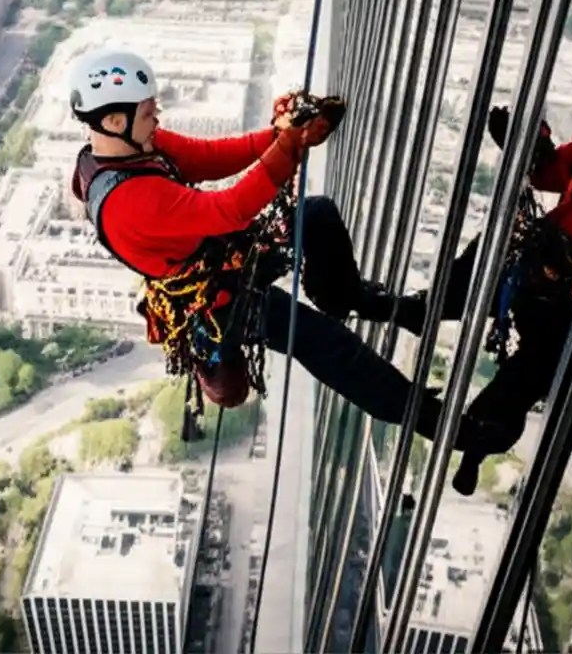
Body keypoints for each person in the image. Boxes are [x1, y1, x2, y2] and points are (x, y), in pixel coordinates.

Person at [304, 64, 572, 494]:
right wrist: (529, 147)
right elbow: (553, 173)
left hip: (570, 290)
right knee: (451, 294)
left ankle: (475, 447)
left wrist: (570, 213)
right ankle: (381, 305)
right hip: (539, 253)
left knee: (523, 381)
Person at [66, 46, 500, 449]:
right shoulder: (130, 202)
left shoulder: (136, 148)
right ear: (115, 121)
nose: (157, 116)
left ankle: (359, 301)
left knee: (317, 215)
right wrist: (288, 144)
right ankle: (444, 426)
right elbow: (230, 208)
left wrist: (278, 134)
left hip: (222, 256)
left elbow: (210, 156)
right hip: (214, 301)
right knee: (326, 342)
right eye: (147, 111)